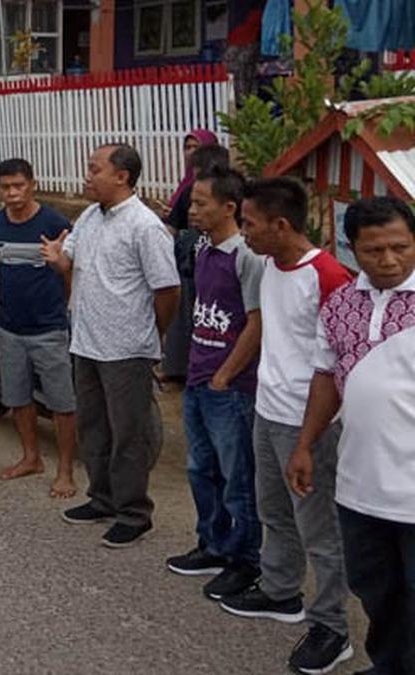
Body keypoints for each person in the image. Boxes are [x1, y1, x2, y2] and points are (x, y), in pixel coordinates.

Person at [218, 177, 354, 675]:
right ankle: (280, 592)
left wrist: (309, 437)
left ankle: (332, 628)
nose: (243, 232)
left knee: (320, 529)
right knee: (273, 510)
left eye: (250, 223)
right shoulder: (270, 265)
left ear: (281, 224)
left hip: (309, 425)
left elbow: (340, 363)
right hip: (268, 411)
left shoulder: (329, 276)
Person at [288, 196, 415, 675]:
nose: (388, 260)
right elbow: (325, 375)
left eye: (400, 247)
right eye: (374, 250)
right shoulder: (341, 302)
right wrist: (304, 443)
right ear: (351, 248)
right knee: (377, 592)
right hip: (360, 490)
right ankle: (388, 667)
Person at [41, 143, 179, 548]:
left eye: (94, 168)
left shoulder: (144, 226)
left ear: (122, 176)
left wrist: (151, 335)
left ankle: (134, 513)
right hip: (86, 341)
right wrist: (57, 259)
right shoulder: (89, 215)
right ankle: (101, 499)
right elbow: (70, 260)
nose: (87, 175)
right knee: (94, 428)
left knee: (129, 434)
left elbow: (167, 290)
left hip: (126, 349)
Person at [164, 166, 265, 601]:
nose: (192, 208)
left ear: (230, 207)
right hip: (200, 377)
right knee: (200, 469)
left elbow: (257, 323)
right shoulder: (203, 249)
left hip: (231, 387)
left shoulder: (248, 257)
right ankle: (212, 542)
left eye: (202, 202)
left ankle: (246, 560)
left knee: (237, 475)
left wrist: (227, 374)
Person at [0, 158, 77, 499]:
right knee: (18, 396)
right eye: (6, 187)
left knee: (62, 403)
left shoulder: (54, 223)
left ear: (32, 184)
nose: (12, 193)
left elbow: (68, 271)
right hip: (9, 328)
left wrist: (63, 309)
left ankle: (65, 470)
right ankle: (31, 458)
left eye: (18, 185)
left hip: (49, 329)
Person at [161, 140, 228, 383]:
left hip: (209, 269)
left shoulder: (237, 254)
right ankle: (182, 368)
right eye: (186, 147)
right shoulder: (187, 191)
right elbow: (172, 225)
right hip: (189, 267)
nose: (193, 210)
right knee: (187, 319)